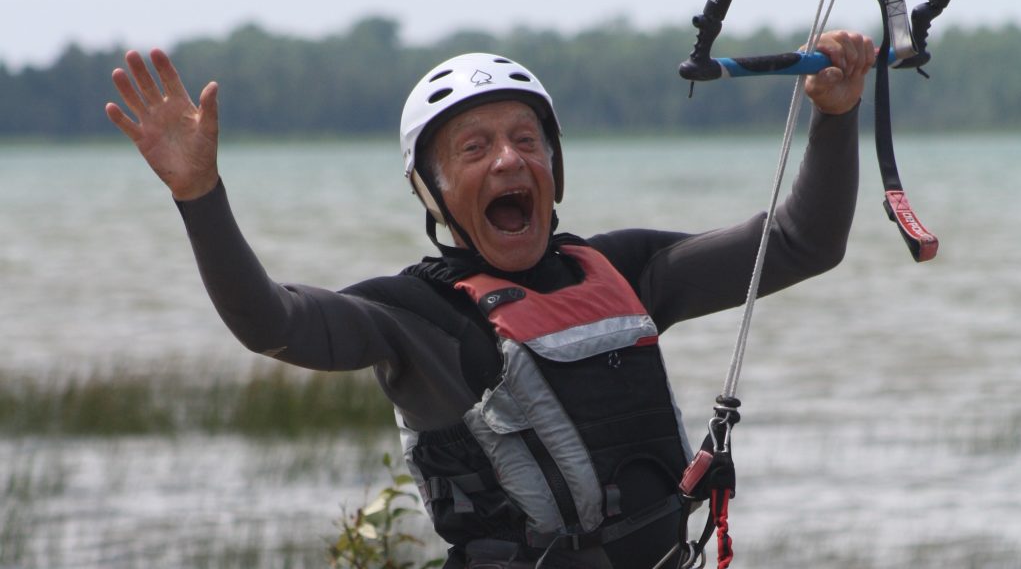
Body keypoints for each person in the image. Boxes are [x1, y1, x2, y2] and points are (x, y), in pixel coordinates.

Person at [105, 30, 874, 568]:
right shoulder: (414, 318)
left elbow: (805, 241)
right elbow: (271, 323)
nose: (508, 158)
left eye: (525, 139)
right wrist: (201, 197)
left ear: (553, 164)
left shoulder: (628, 270)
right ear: (432, 190)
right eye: (474, 149)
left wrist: (835, 117)